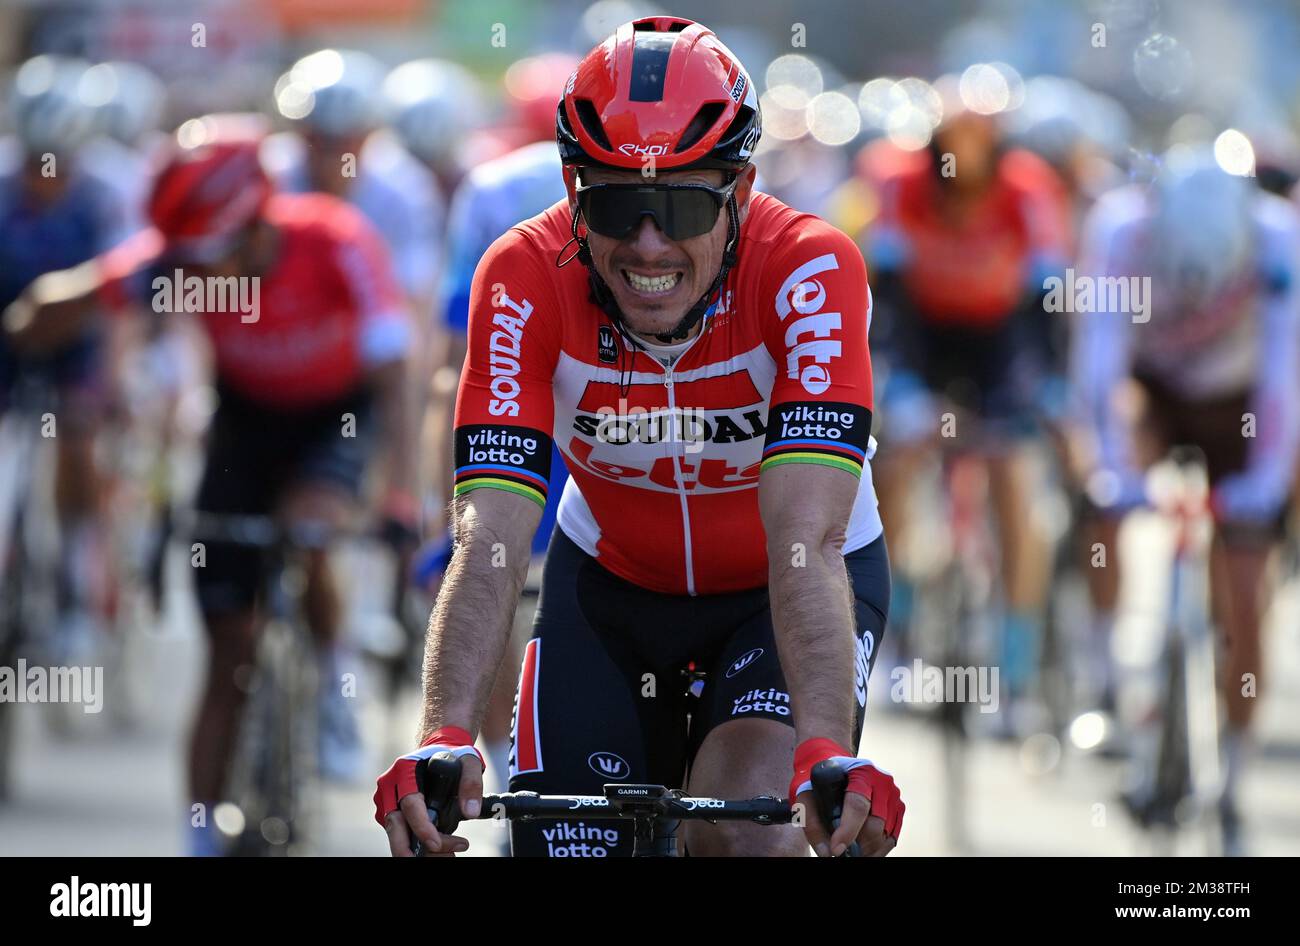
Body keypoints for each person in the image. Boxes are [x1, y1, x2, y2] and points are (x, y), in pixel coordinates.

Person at [375, 16, 902, 858]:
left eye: (682, 202)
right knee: (565, 846)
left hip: (777, 591)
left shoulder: (809, 270)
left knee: (741, 833)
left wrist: (826, 748)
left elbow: (809, 533)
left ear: (741, 188)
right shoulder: (521, 274)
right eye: (617, 204)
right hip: (613, 582)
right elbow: (493, 534)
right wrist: (444, 733)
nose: (647, 244)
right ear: (573, 189)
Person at [4, 114, 418, 853]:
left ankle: (332, 681)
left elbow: (396, 380)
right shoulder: (181, 257)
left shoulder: (332, 240)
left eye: (206, 259)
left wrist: (401, 496)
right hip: (245, 421)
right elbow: (65, 300)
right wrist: (35, 323)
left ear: (255, 224)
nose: (193, 280)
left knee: (311, 522)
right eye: (182, 262)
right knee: (227, 649)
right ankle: (198, 833)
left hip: (335, 418)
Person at [1071, 148, 1300, 853]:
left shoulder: (1278, 237)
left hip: (1241, 402)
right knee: (1102, 504)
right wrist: (1112, 476)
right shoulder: (1120, 229)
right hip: (1156, 392)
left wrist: (1261, 492)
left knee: (1242, 581)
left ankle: (1232, 765)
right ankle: (1108, 679)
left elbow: (1285, 377)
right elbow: (1098, 363)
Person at [858, 81, 1072, 728]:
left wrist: (1047, 387)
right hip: (924, 333)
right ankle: (897, 635)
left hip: (998, 339)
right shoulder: (897, 182)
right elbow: (885, 298)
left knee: (1012, 473)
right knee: (895, 463)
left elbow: (1045, 308)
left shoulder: (1029, 190)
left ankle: (1014, 669)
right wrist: (897, 387)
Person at [0, 55, 128, 661]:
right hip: (10, 332)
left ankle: (77, 574)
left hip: (79, 335)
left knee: (77, 440)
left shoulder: (106, 192)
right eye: (33, 160)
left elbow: (122, 296)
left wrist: (113, 382)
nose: (43, 174)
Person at [267, 48, 444, 313]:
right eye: (319, 140)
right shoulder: (269, 174)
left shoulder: (404, 188)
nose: (332, 156)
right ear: (300, 134)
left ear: (367, 137)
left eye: (344, 142)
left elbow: (414, 291)